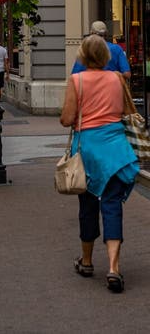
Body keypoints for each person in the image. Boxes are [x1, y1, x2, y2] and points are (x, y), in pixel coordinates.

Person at [60, 34, 139, 293]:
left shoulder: (77, 80)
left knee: (88, 205)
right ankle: (114, 268)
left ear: (82, 55)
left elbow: (67, 118)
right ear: (106, 56)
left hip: (88, 150)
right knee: (113, 206)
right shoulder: (117, 78)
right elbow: (127, 112)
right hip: (116, 150)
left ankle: (87, 261)